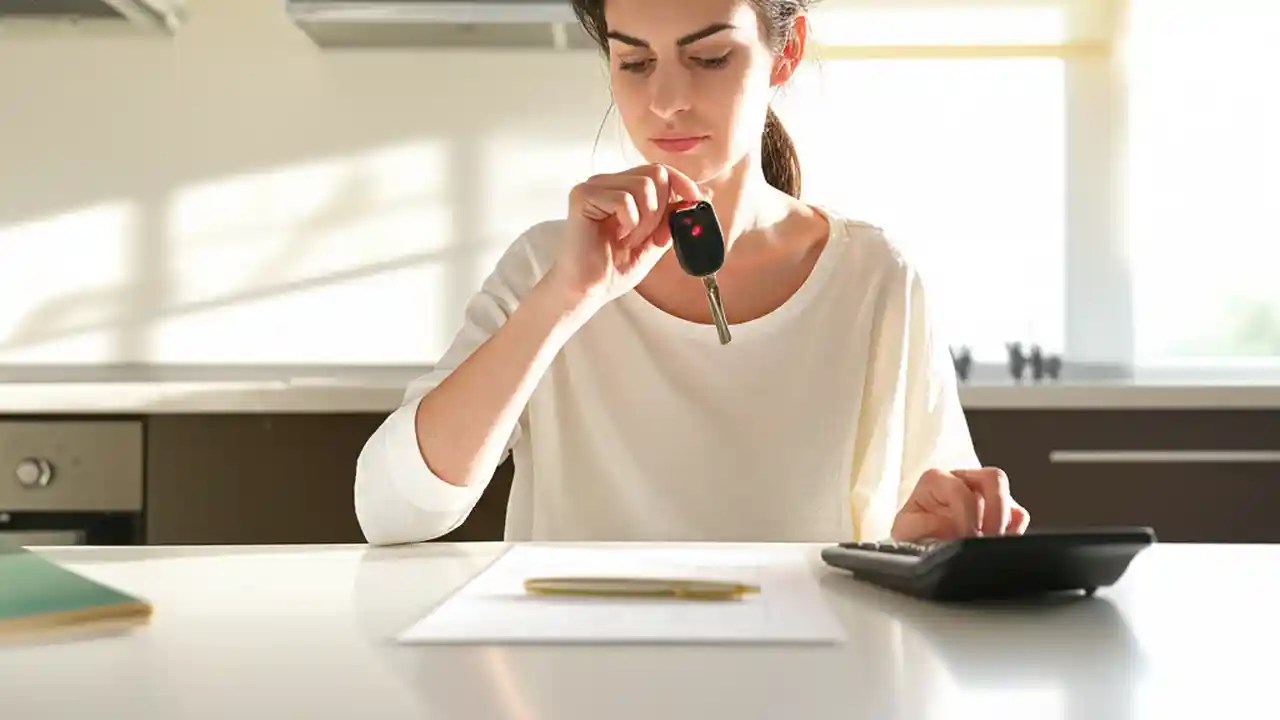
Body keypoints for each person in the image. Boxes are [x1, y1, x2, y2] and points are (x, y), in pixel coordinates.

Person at [354, 0, 1030, 546]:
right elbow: (392, 513)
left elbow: (932, 537)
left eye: (709, 57)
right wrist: (563, 300)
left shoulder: (874, 277)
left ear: (784, 54)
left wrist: (943, 533)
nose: (667, 100)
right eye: (635, 61)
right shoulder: (546, 267)